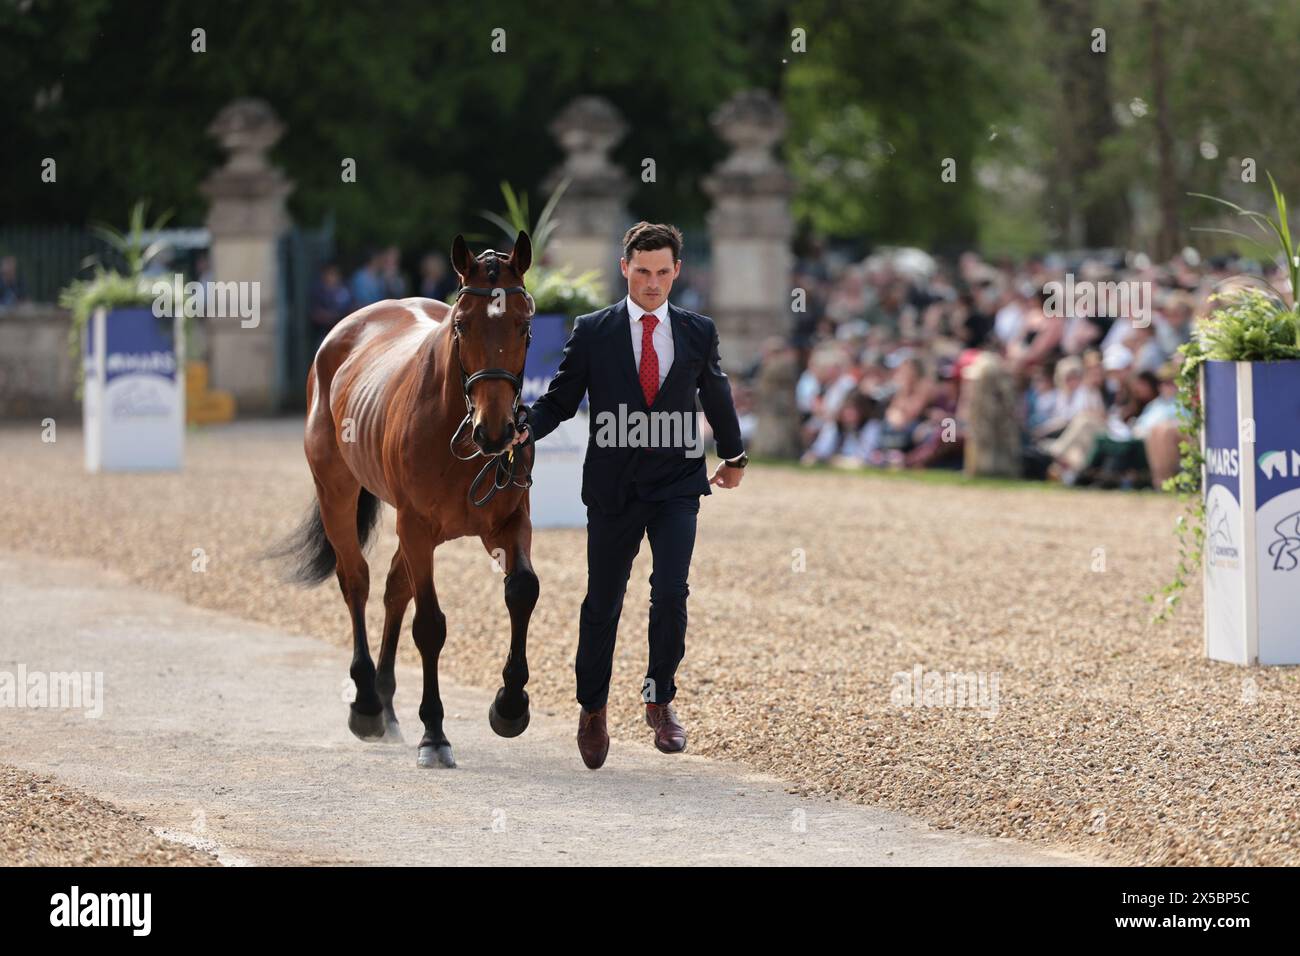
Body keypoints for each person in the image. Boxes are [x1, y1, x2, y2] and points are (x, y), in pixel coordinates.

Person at [508, 222, 746, 770]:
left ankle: (659, 697)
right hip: (613, 486)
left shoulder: (697, 330)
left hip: (676, 485)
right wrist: (526, 428)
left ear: (677, 271)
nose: (653, 282)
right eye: (643, 271)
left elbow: (716, 392)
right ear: (625, 269)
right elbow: (561, 401)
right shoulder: (594, 330)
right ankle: (592, 710)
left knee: (670, 592)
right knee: (603, 603)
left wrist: (734, 458)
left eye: (663, 272)